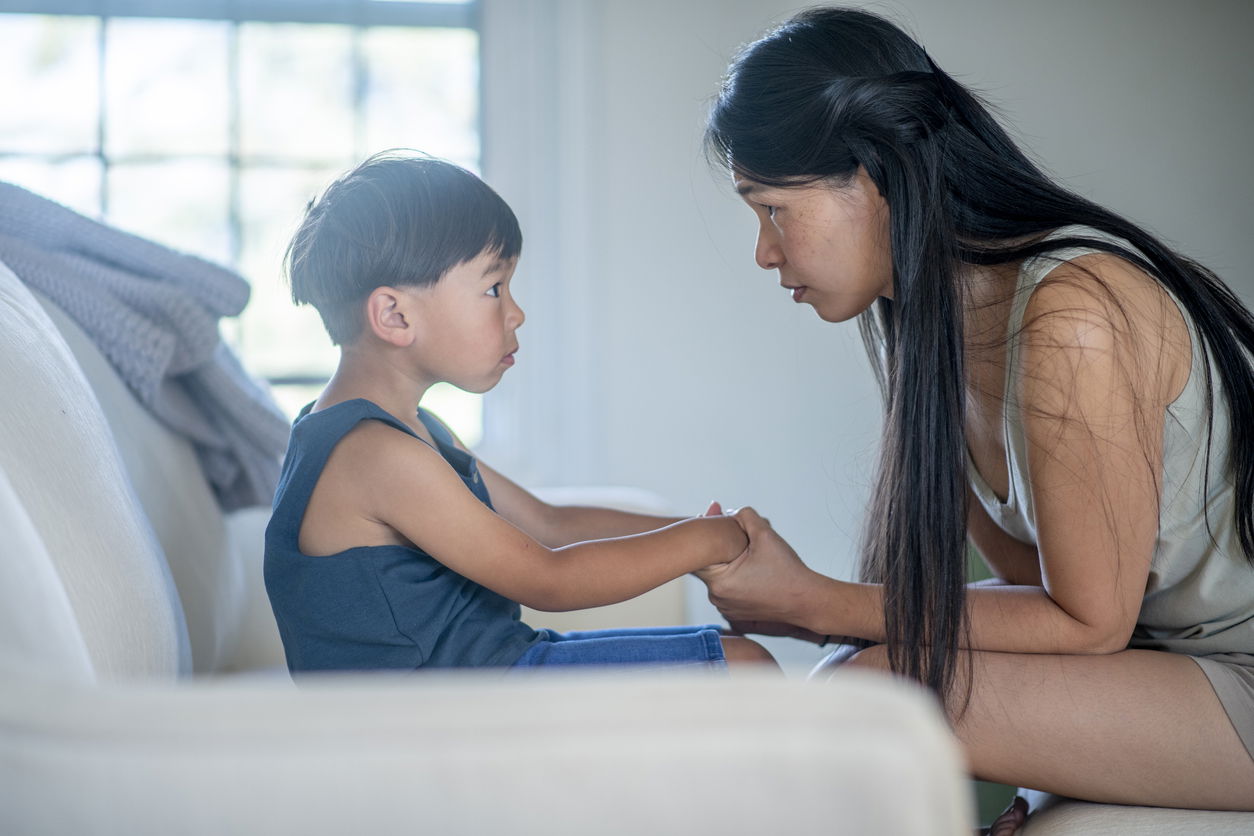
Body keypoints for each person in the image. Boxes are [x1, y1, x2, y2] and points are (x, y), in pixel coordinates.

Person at [695, 6, 1254, 813]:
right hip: (1168, 658)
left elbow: (1090, 622)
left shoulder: (1074, 312)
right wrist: (820, 616)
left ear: (874, 176)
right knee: (852, 687)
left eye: (773, 207)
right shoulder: (937, 327)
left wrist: (819, 600)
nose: (764, 251)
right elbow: (1031, 581)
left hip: (1232, 665)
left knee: (867, 698)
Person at [264, 151, 776, 676]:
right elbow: (548, 578)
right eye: (493, 288)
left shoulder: (405, 431)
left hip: (491, 675)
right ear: (395, 315)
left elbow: (548, 523)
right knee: (744, 669)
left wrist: (706, 530)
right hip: (442, 716)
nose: (517, 312)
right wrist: (705, 543)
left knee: (733, 655)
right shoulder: (372, 453)